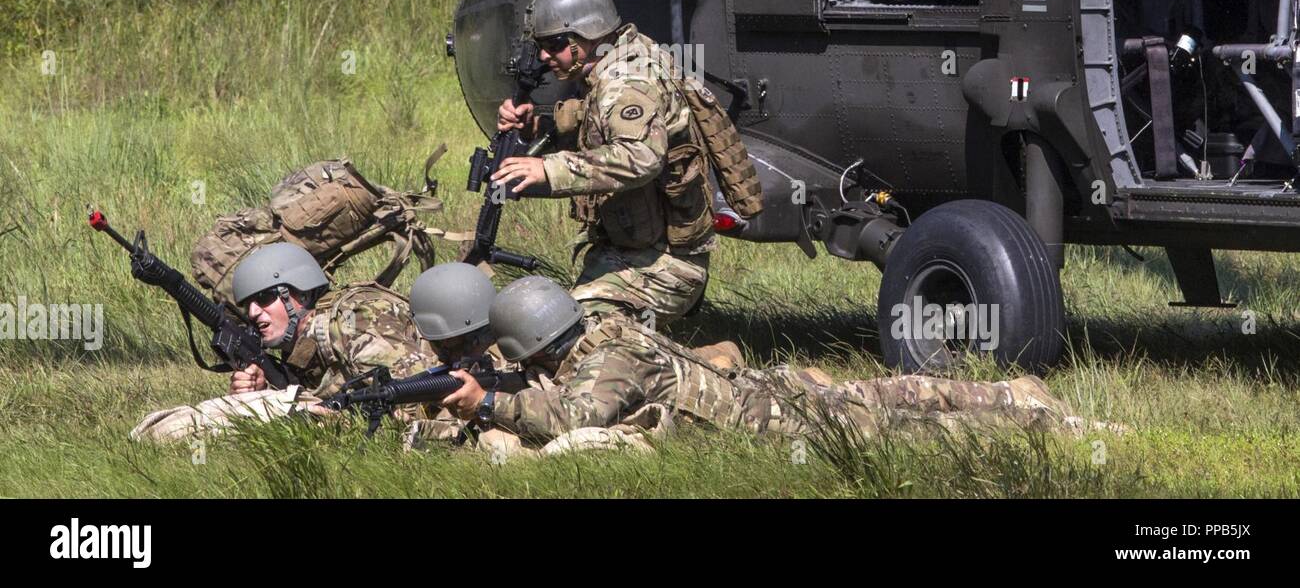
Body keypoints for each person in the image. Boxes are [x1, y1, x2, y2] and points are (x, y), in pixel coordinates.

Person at [439, 276, 1104, 447]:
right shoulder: (607, 328)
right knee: (904, 393)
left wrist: (491, 404)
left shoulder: (608, 358)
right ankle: (1020, 395)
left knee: (924, 423)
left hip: (784, 424)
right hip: (777, 395)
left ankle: (1055, 423)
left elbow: (579, 414)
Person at [493, 0, 716, 328]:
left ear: (589, 35)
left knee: (565, 337)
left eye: (555, 44)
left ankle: (711, 364)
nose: (545, 56)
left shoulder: (626, 81)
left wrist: (548, 170)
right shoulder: (617, 59)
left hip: (664, 266)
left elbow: (642, 157)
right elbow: (600, 131)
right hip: (632, 252)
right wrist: (537, 129)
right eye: (541, 45)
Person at [131, 243, 437, 442]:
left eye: (265, 298)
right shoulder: (303, 343)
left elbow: (419, 400)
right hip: (361, 425)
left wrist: (329, 417)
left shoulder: (353, 320)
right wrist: (265, 389)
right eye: (249, 304)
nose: (253, 313)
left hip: (434, 431)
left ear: (301, 294)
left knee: (179, 430)